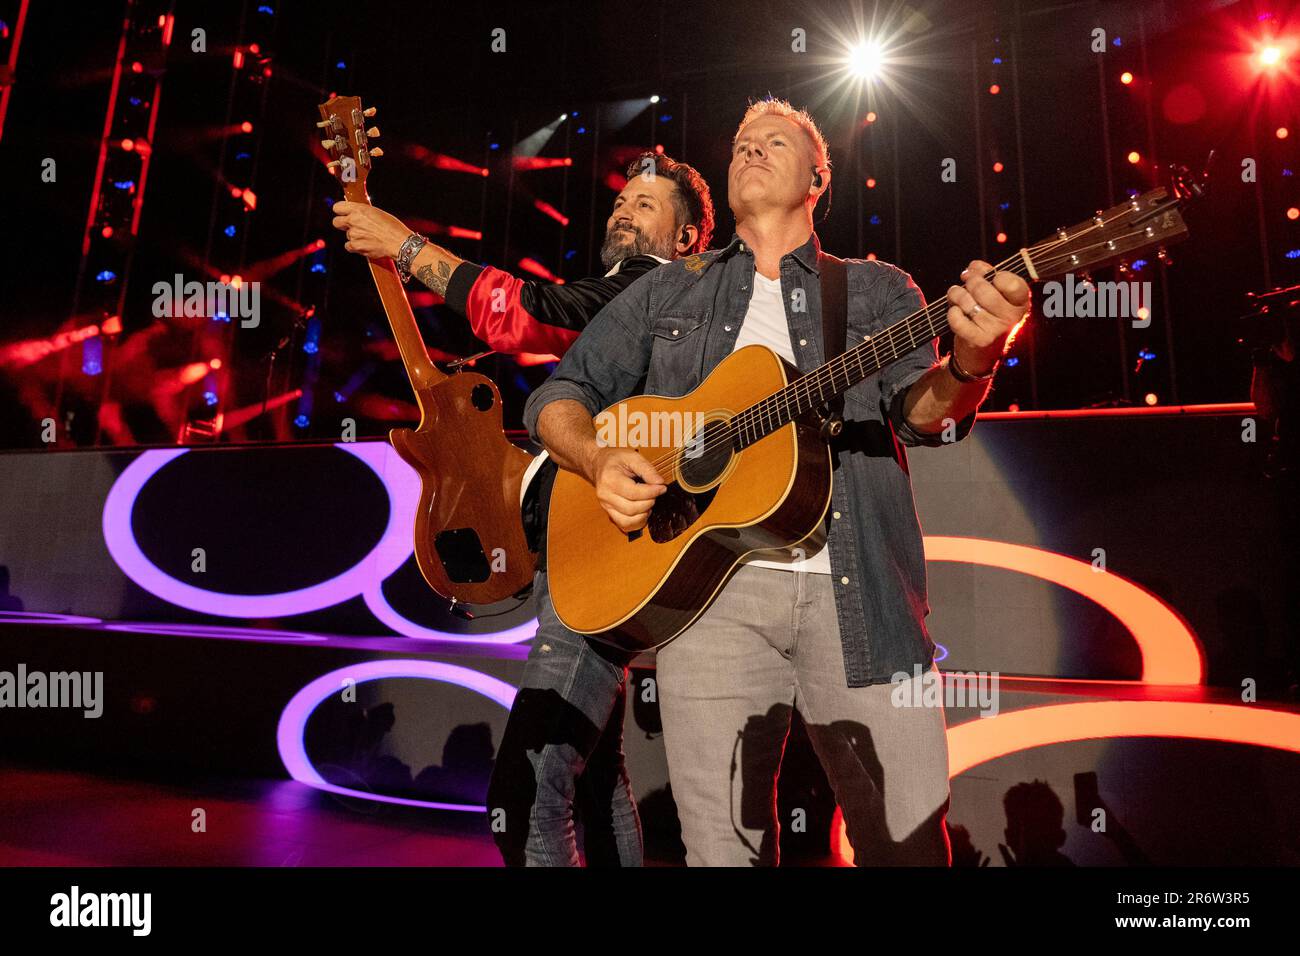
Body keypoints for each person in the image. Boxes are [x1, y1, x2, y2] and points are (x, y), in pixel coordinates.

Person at [523, 98, 1030, 865]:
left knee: (910, 849)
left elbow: (928, 418)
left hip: (860, 596)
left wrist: (973, 362)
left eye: (775, 142)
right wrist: (596, 459)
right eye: (740, 142)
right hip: (709, 603)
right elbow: (559, 394)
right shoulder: (666, 289)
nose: (750, 150)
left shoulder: (874, 288)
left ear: (819, 177)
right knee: (722, 854)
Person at [332, 151, 715, 866]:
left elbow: (521, 313)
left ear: (689, 238)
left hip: (597, 559)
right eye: (620, 198)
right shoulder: (630, 303)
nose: (622, 210)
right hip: (587, 557)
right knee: (597, 783)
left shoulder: (653, 289)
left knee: (524, 791)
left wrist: (403, 246)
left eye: (646, 203)